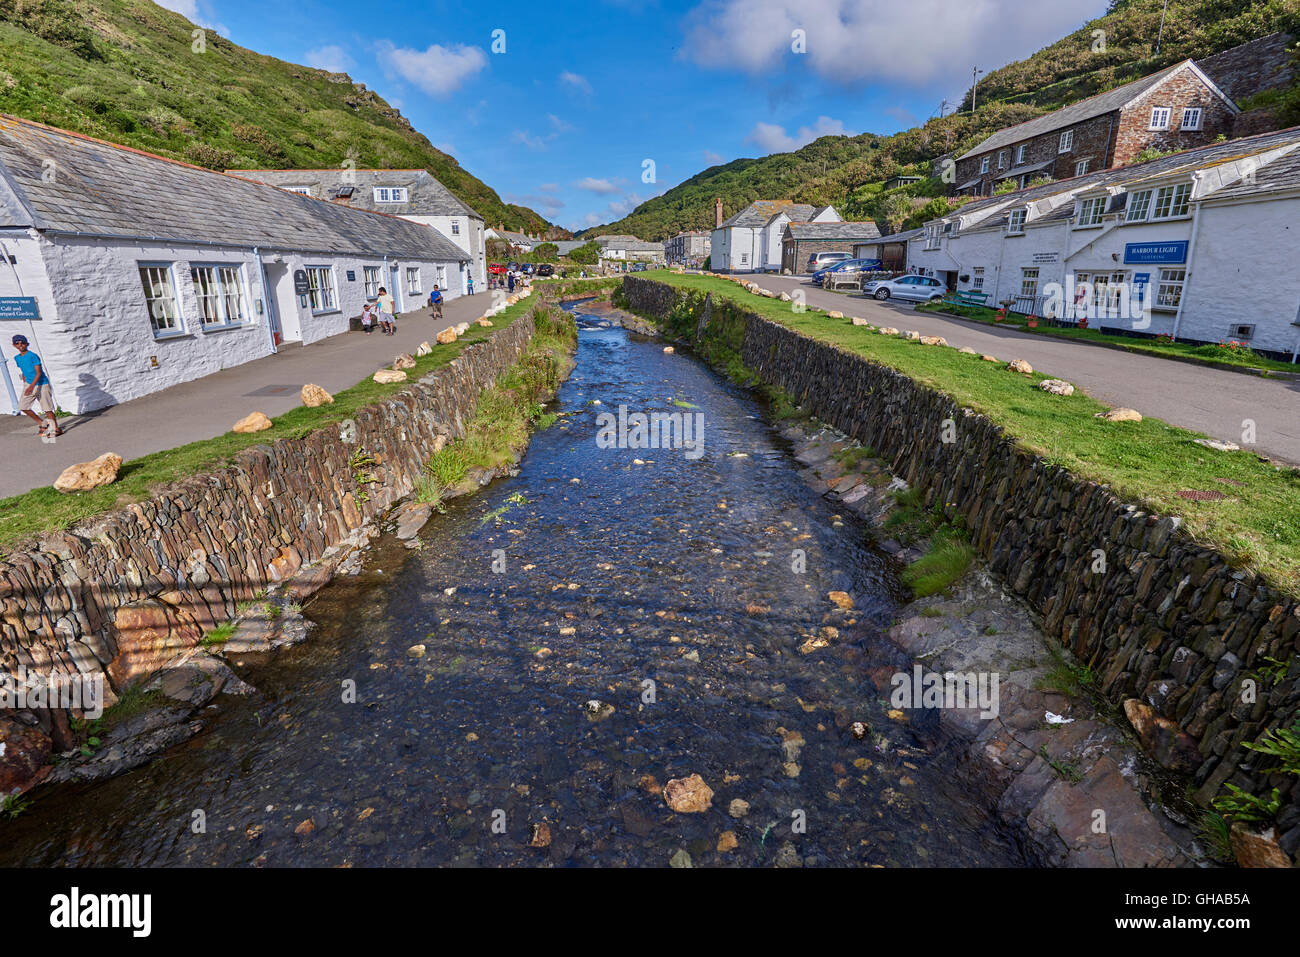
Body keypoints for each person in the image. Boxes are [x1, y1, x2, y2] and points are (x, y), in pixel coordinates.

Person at [11, 335, 61, 438]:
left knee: (47, 408)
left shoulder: (32, 356)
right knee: (23, 406)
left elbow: (38, 373)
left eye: (22, 343)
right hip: (29, 384)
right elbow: (24, 371)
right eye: (17, 343)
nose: (20, 345)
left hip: (42, 384)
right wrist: (26, 385)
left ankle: (56, 428)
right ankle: (43, 423)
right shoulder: (17, 358)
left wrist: (31, 386)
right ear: (14, 345)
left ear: (27, 344)